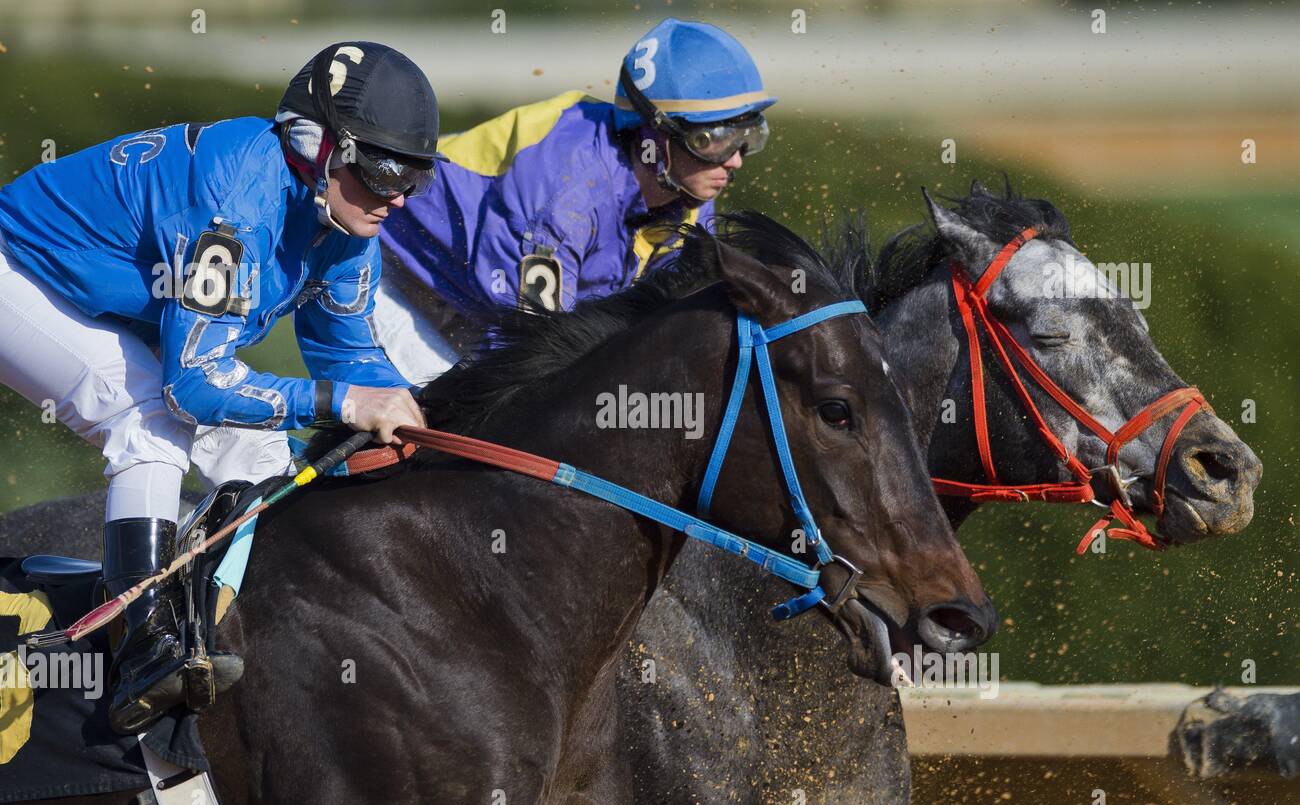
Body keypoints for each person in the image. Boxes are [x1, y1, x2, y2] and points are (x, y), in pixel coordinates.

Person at [0, 42, 440, 734]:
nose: (397, 197)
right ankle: (140, 644)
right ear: (315, 145)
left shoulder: (349, 225)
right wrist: (345, 405)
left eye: (416, 175)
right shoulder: (237, 202)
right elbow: (194, 387)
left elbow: (347, 352)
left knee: (265, 459)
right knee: (148, 416)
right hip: (22, 275)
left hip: (124, 309)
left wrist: (427, 422)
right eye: (382, 169)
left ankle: (209, 634)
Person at [374, 17, 777, 383]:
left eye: (747, 137)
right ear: (655, 133)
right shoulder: (565, 196)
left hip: (476, 303)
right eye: (715, 140)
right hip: (387, 269)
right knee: (452, 436)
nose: (736, 159)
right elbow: (529, 353)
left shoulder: (687, 189)